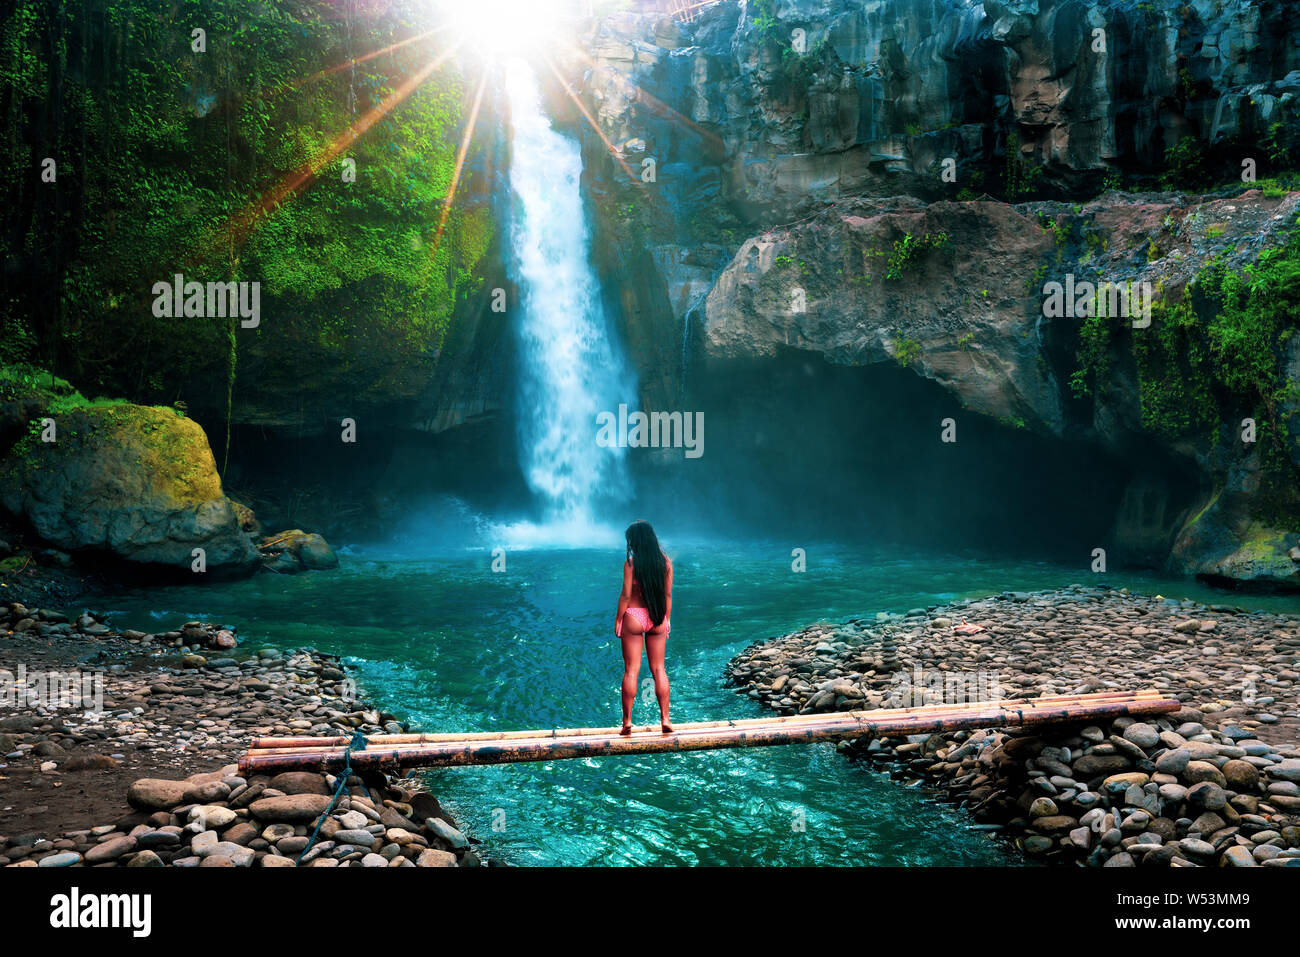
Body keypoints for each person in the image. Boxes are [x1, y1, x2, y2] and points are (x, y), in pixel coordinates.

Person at [614, 520, 672, 734]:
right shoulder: (665, 562)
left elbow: (626, 595)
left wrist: (619, 619)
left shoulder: (631, 563)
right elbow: (667, 595)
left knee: (631, 670)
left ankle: (627, 722)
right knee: (659, 670)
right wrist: (667, 620)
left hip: (634, 616)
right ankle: (665, 719)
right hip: (657, 616)